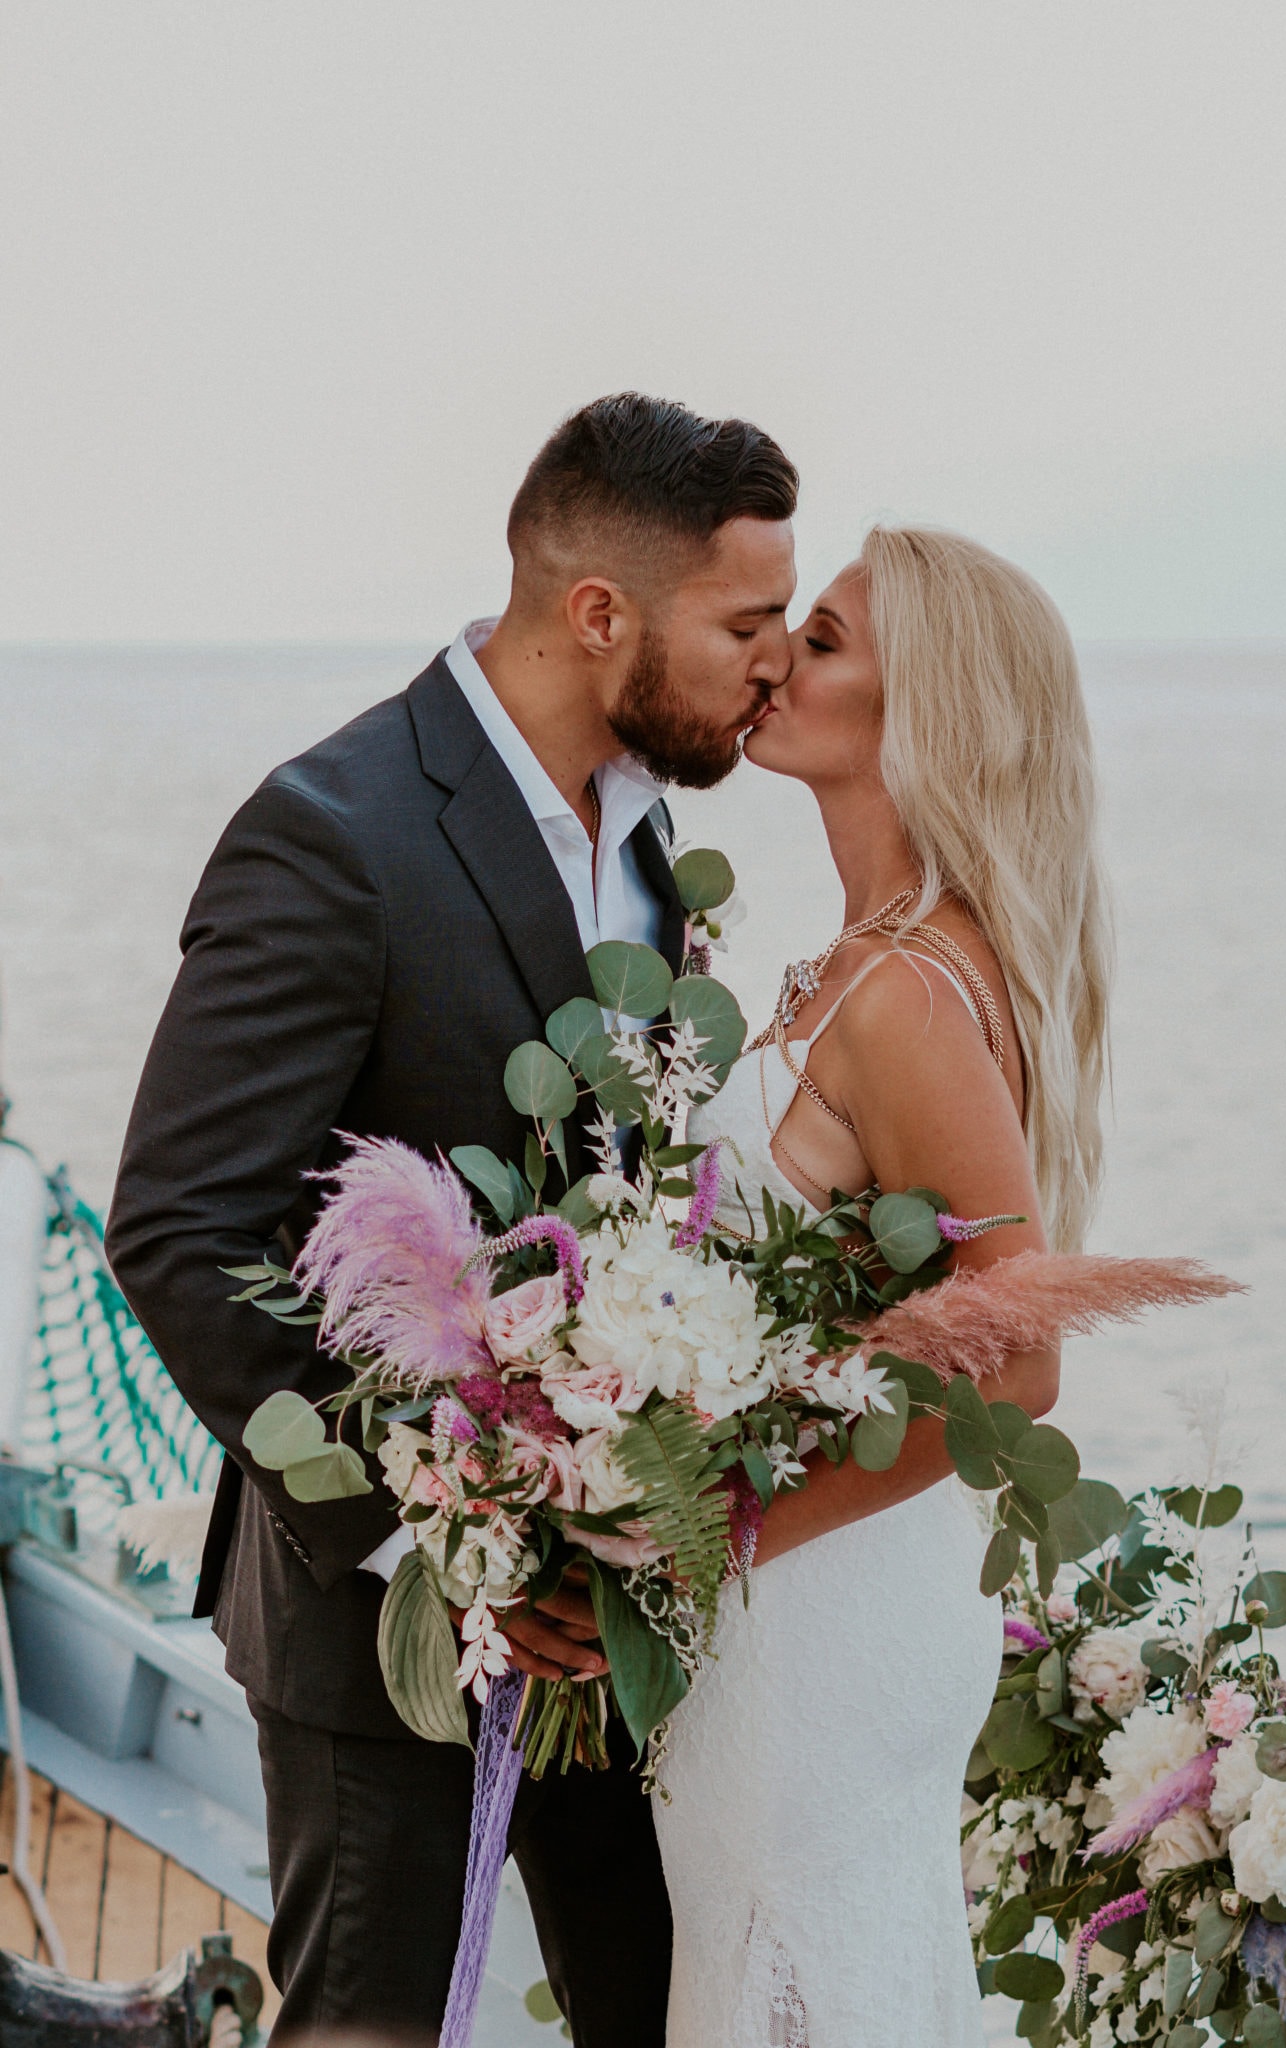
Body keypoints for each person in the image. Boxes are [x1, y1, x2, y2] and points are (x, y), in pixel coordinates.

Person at [104, 392, 799, 2045]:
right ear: (600, 612)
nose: (768, 662)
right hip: (374, 1619)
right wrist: (442, 1536)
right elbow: (186, 1228)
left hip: (612, 1624)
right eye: (745, 621)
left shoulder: (651, 846)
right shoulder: (332, 834)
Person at [658, 526, 1113, 2047]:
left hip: (817, 1609)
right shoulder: (874, 964)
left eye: (829, 639)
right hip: (819, 1587)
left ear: (930, 715)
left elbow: (1020, 1361)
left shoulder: (907, 993)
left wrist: (720, 1538)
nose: (778, 653)